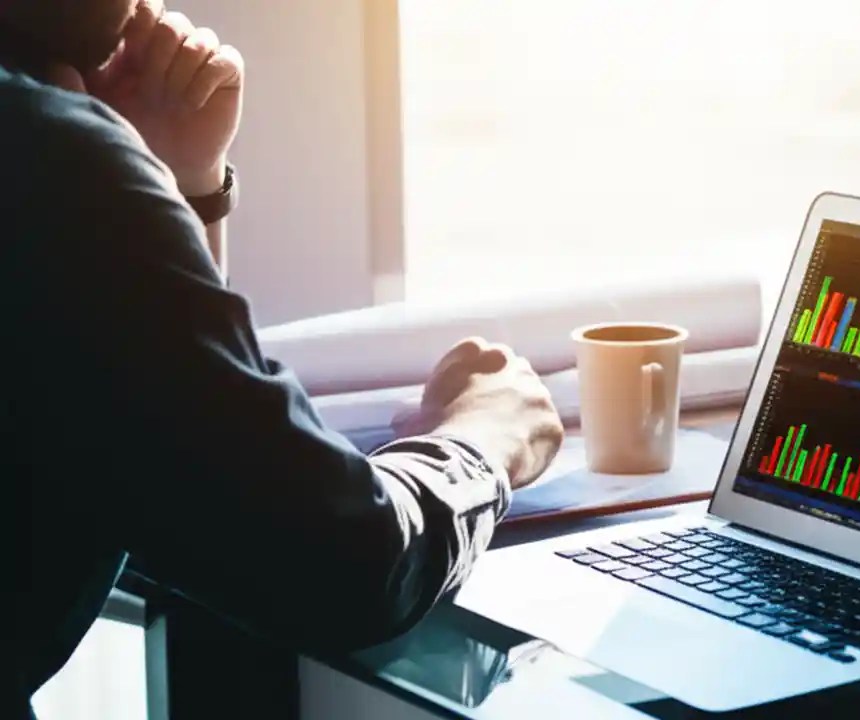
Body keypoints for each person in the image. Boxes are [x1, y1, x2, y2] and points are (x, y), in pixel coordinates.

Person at [2, 1, 565, 715]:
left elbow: (177, 460)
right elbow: (338, 569)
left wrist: (177, 178)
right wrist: (485, 440)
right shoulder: (51, 160)